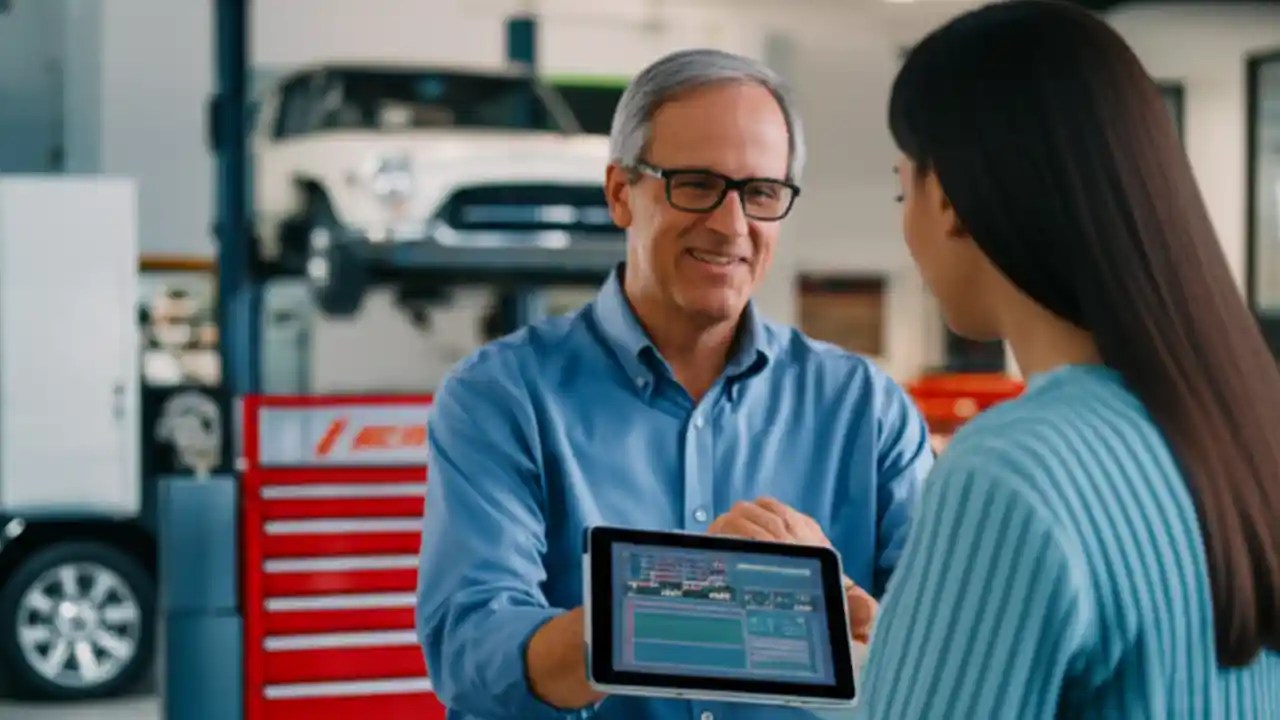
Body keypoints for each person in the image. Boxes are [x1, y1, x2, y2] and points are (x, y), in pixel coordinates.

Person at [415, 48, 933, 720]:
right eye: (695, 184)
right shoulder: (502, 397)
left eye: (761, 192)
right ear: (620, 193)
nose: (730, 224)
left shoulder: (867, 409)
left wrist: (860, 625)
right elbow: (473, 655)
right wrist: (696, 598)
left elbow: (949, 656)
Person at [854, 1, 1280, 718]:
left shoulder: (1011, 466)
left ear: (949, 196)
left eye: (904, 187)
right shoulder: (1248, 432)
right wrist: (912, 647)